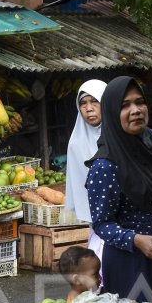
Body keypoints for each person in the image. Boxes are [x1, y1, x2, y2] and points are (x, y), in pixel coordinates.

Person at [86, 76, 152, 303]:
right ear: (111, 113)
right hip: (132, 264)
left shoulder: (149, 142)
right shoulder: (105, 166)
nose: (135, 110)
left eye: (139, 102)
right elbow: (102, 224)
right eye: (125, 105)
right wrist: (135, 239)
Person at [64, 79, 107, 260]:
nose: (88, 108)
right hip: (98, 218)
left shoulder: (122, 135)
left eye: (94, 101)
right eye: (83, 103)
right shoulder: (76, 143)